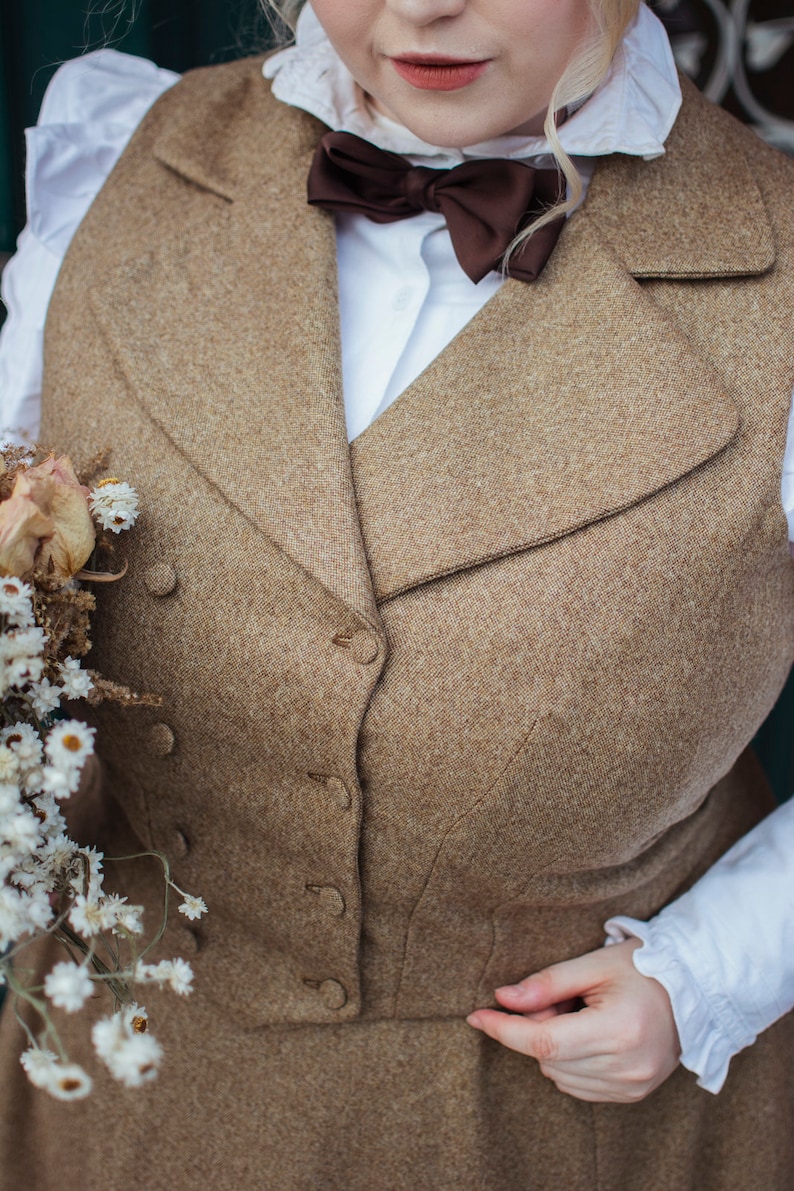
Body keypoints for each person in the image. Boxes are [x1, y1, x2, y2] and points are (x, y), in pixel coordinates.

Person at [0, 0, 793, 1187]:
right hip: (137, 1077)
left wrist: (711, 973)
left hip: (562, 1116)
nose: (420, 8)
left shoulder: (777, 269)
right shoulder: (121, 159)